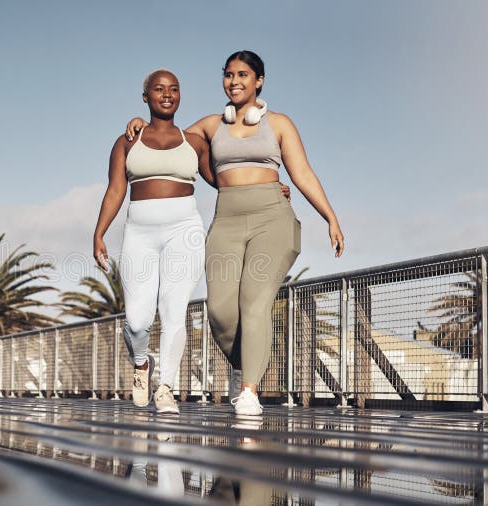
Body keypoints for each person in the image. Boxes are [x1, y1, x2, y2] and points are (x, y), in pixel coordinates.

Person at [126, 51, 344, 416]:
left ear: (259, 80)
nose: (235, 81)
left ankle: (249, 391)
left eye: (243, 75)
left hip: (271, 217)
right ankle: (245, 365)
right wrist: (138, 121)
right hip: (226, 218)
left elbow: (302, 173)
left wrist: (330, 217)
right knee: (221, 312)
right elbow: (167, 134)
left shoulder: (279, 124)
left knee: (254, 301)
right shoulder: (211, 125)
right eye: (229, 75)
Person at [93, 69, 214, 414]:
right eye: (158, 89)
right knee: (136, 320)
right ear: (145, 97)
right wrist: (99, 232)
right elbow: (116, 189)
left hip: (184, 228)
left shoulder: (194, 142)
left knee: (174, 312)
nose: (167, 94)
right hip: (139, 231)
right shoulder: (127, 141)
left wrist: (267, 184)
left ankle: (166, 388)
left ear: (180, 96)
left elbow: (222, 180)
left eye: (174, 89)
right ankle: (142, 365)